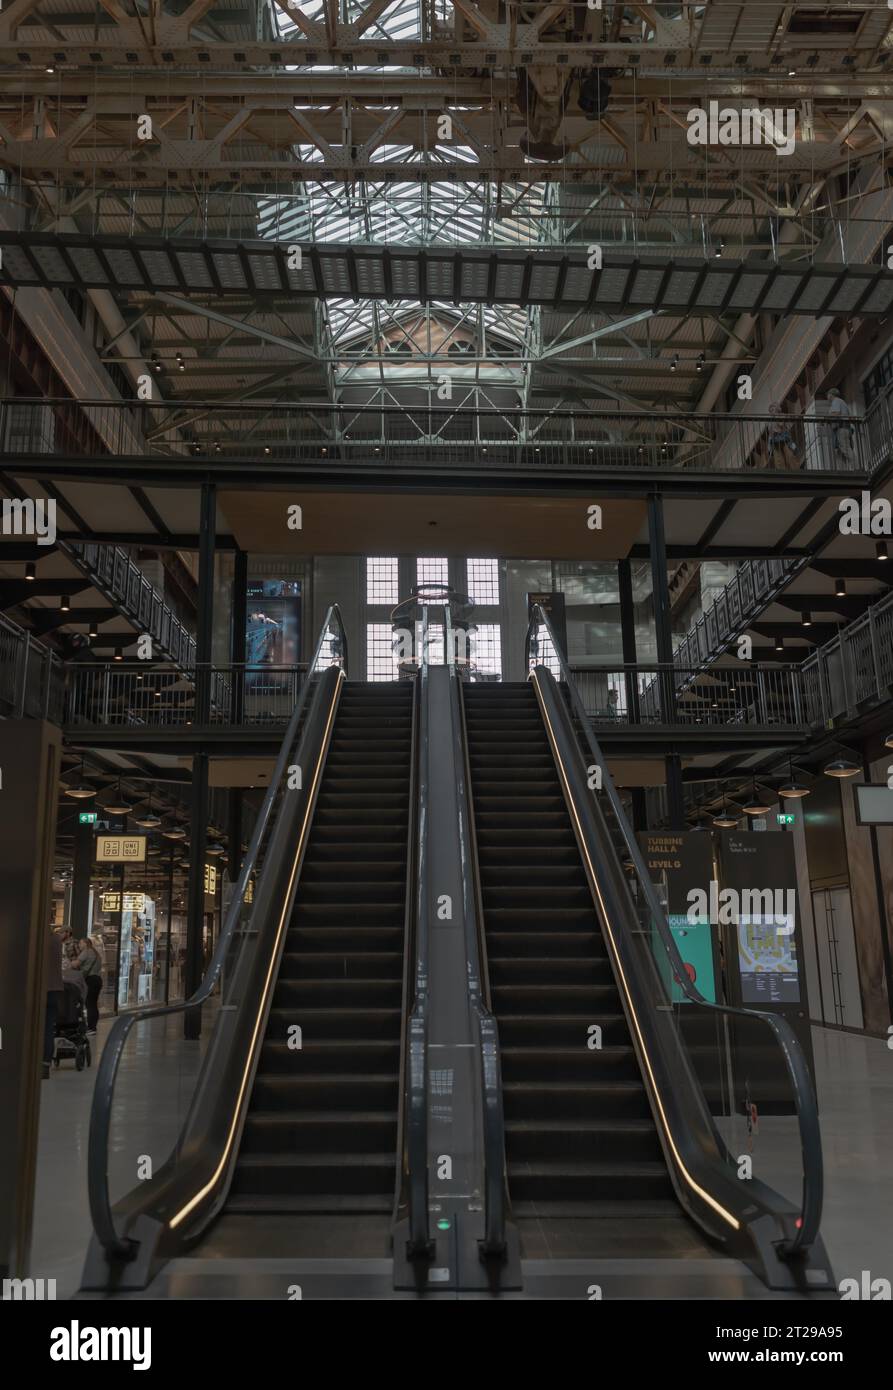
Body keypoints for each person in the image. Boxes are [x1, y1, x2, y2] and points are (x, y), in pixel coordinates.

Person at [43, 926, 64, 1080]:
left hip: (39, 989)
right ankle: (45, 1065)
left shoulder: (38, 939)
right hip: (55, 989)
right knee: (48, 1029)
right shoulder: (57, 940)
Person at [75, 936, 104, 1033]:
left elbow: (76, 964)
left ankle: (91, 1027)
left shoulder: (86, 952)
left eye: (80, 943)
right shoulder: (96, 953)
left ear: (86, 944)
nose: (79, 945)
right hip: (97, 980)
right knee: (93, 1004)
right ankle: (93, 1026)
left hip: (90, 980)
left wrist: (69, 963)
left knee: (89, 1004)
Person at [766, 403, 799, 470]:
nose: (772, 411)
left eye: (773, 409)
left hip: (784, 439)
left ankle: (795, 469)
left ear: (777, 408)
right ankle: (783, 473)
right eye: (771, 411)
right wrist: (769, 447)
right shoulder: (770, 422)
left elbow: (785, 427)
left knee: (790, 456)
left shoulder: (782, 416)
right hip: (775, 441)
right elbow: (770, 434)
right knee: (779, 460)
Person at [827, 388, 854, 462]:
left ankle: (856, 467)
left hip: (842, 428)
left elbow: (837, 413)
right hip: (844, 428)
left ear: (831, 395)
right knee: (844, 450)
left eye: (828, 394)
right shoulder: (841, 402)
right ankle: (852, 468)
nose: (827, 396)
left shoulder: (836, 401)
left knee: (846, 449)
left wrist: (827, 417)